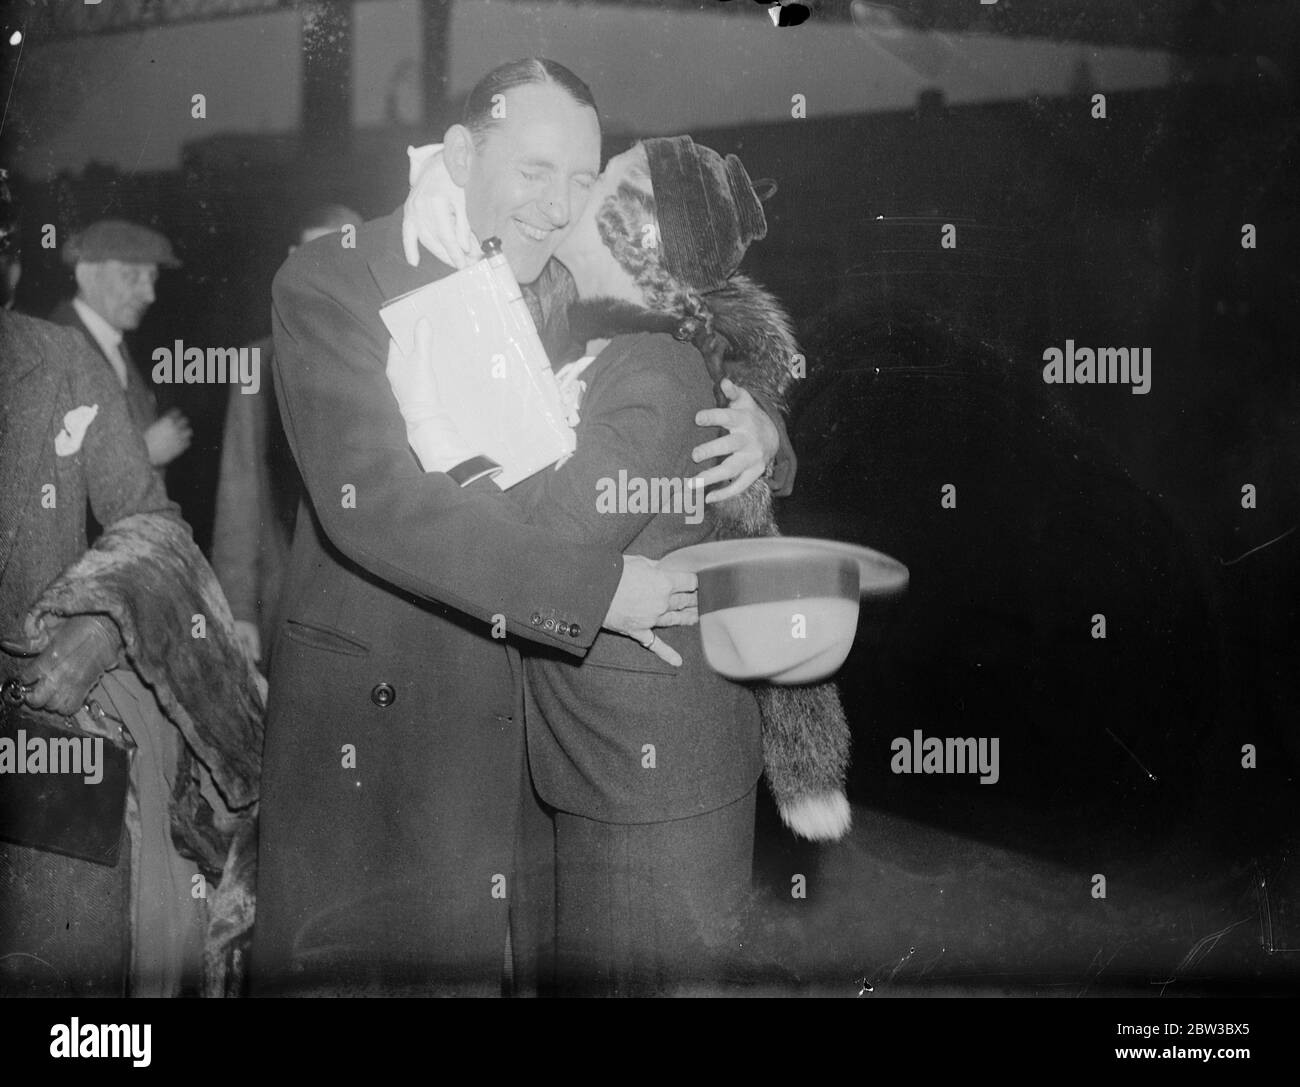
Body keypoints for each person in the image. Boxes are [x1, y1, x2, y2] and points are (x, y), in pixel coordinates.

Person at [253, 58, 793, 996]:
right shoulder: (331, 279)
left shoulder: (560, 291)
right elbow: (378, 506)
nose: (559, 203)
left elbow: (682, 378)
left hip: (546, 757)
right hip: (393, 735)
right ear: (458, 154)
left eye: (583, 179)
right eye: (534, 170)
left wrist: (767, 435)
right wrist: (594, 591)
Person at [394, 136, 833, 994]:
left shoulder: (647, 371)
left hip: (644, 774)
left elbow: (553, 541)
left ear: (634, 240)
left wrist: (441, 436)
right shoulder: (626, 345)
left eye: (595, 189)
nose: (568, 202)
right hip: (636, 758)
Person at [0, 170, 263, 997]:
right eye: (135, 272)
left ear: (9, 264)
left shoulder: (64, 362)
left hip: (44, 737)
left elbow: (150, 521)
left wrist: (107, 623)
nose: (149, 290)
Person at [211, 204, 360, 666]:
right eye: (313, 252)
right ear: (292, 257)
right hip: (287, 609)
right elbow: (240, 495)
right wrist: (237, 610)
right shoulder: (257, 364)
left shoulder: (393, 356)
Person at [48, 219, 192, 472]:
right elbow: (48, 474)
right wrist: (143, 453)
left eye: (152, 278)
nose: (150, 295)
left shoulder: (111, 343)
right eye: (132, 276)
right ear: (87, 275)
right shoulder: (54, 349)